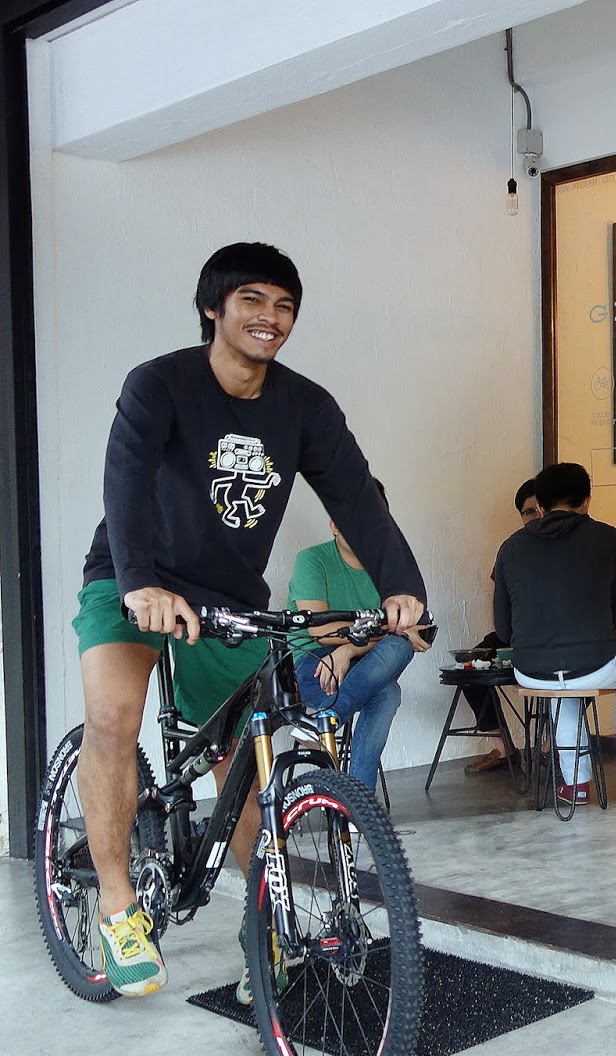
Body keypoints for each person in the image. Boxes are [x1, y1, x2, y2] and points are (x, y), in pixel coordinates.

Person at [71, 242, 427, 999]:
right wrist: (139, 584)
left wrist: (402, 585)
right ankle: (117, 908)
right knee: (112, 718)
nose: (271, 318)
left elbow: (355, 495)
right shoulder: (159, 384)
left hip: (225, 595)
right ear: (214, 308)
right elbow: (124, 481)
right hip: (134, 578)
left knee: (241, 755)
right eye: (253, 301)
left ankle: (261, 920)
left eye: (285, 306)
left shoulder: (305, 407)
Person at [495, 462, 616, 808]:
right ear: (587, 500)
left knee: (560, 691)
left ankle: (575, 785)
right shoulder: (611, 539)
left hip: (530, 668)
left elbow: (503, 629)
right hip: (595, 660)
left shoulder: (510, 548)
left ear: (540, 506)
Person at [289, 480, 428, 789]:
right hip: (312, 664)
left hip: (361, 661)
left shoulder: (388, 570)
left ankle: (325, 722)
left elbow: (410, 630)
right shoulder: (312, 560)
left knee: (400, 648)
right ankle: (359, 798)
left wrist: (349, 650)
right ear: (334, 524)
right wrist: (388, 633)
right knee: (389, 691)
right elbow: (320, 630)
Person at [462, 478, 542, 775]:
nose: (535, 517)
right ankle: (502, 747)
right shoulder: (512, 548)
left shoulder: (569, 545)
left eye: (540, 509)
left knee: (579, 672)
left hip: (561, 636)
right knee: (471, 667)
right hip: (518, 634)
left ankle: (549, 747)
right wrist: (506, 636)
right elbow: (500, 601)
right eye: (528, 512)